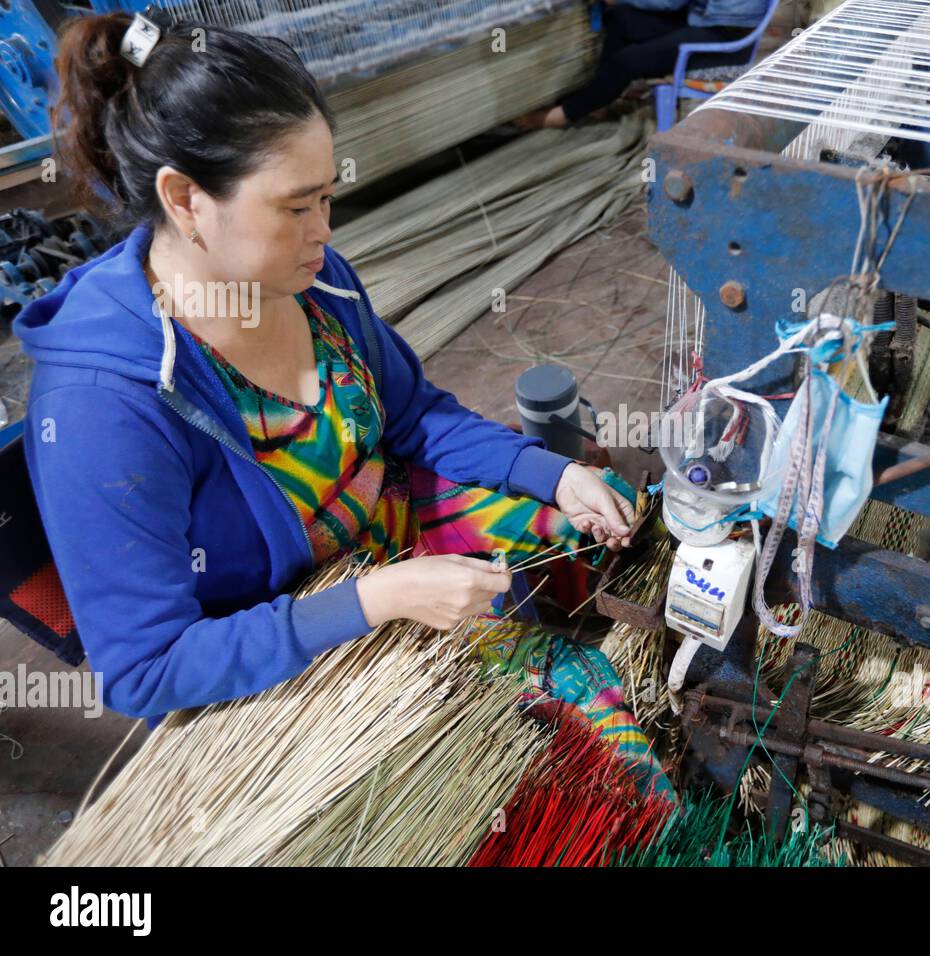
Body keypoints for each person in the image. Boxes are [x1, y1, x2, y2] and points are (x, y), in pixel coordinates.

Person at [17, 12, 673, 799]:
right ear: (186, 198)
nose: (325, 232)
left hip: (385, 536)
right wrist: (379, 600)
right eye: (296, 207)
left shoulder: (314, 282)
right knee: (598, 745)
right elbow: (147, 668)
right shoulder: (105, 406)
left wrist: (551, 474)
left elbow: (415, 416)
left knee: (610, 534)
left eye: (328, 198)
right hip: (288, 626)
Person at [518, 0, 769, 129]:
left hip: (724, 39)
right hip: (705, 20)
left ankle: (561, 116)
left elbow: (669, 2)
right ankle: (599, 101)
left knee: (627, 62)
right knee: (623, 20)